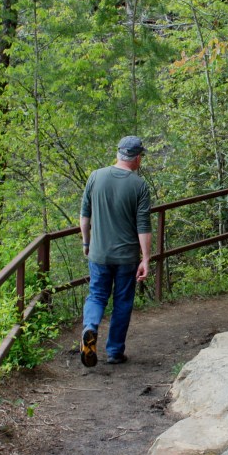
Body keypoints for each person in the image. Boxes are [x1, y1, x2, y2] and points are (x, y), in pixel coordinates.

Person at [79, 135, 152, 367]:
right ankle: (114, 351)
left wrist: (86, 243)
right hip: (126, 257)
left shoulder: (96, 176)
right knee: (122, 302)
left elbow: (84, 217)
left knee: (97, 295)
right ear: (137, 157)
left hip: (99, 254)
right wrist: (146, 258)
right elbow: (143, 226)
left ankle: (90, 328)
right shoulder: (139, 186)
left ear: (118, 153)